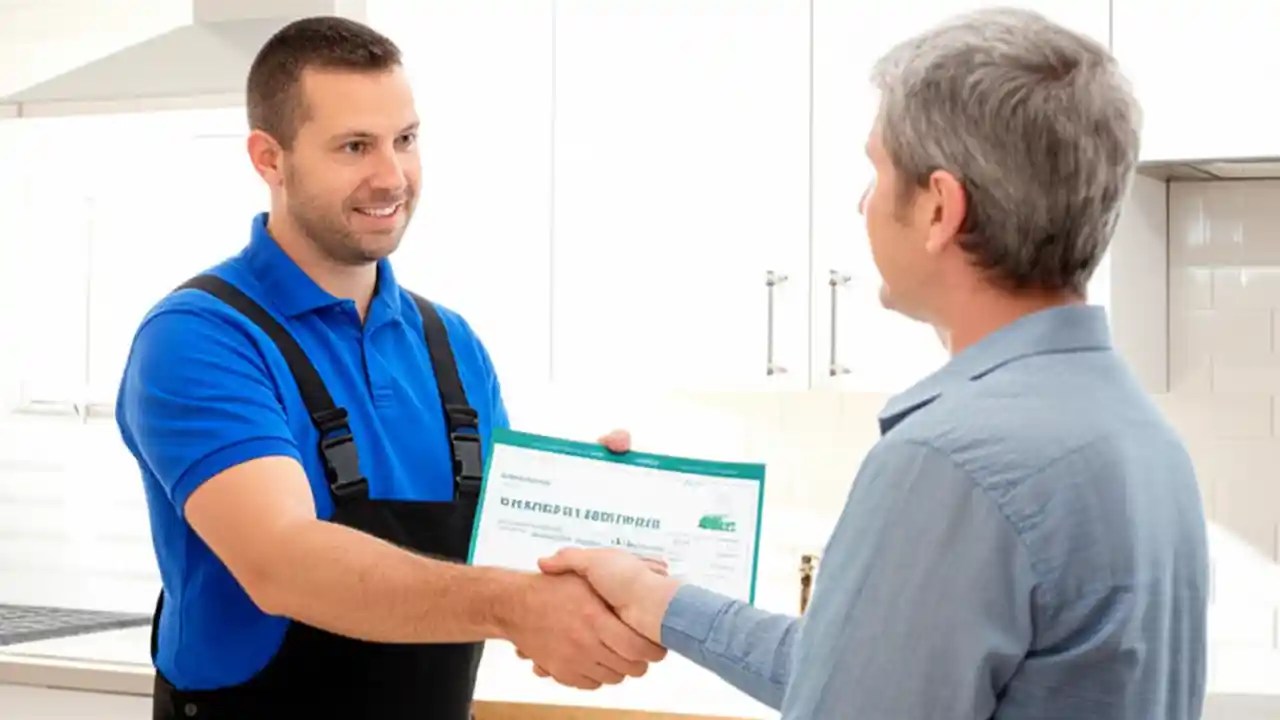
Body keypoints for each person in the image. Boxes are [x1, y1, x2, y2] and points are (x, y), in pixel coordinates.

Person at [535, 8, 1210, 719]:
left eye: (877, 169)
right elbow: (872, 663)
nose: (863, 203)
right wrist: (657, 601)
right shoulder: (1138, 435)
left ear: (939, 208)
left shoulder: (951, 462)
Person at [114, 16, 663, 720]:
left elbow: (506, 549)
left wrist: (605, 512)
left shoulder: (451, 344)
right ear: (269, 159)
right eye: (354, 146)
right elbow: (281, 562)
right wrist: (515, 606)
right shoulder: (199, 338)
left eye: (405, 140)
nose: (391, 176)